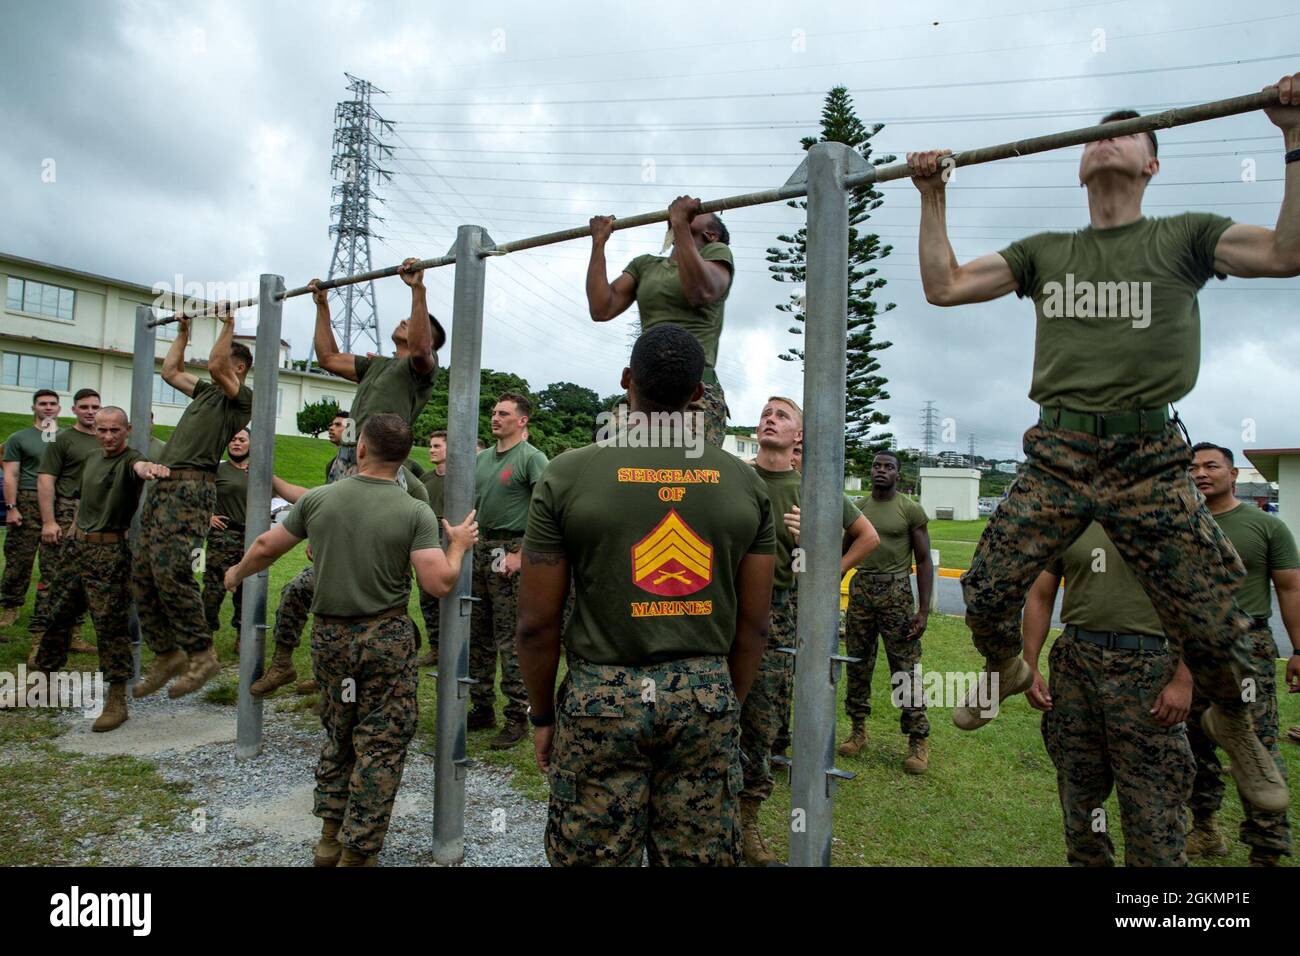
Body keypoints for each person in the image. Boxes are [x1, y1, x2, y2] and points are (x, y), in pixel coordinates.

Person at [906, 74, 1300, 813]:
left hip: (1149, 456)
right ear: (1078, 164)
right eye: (1095, 134)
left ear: (1152, 163)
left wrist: (1292, 136)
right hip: (1060, 451)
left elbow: (1286, 253)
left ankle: (1234, 721)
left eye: (1128, 131)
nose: (1105, 138)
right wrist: (933, 195)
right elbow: (945, 286)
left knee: (1218, 617)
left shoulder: (1187, 236)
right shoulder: (1046, 250)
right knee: (988, 588)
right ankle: (1005, 667)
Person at [516, 323, 775, 866]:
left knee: (591, 855)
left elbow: (536, 625)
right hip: (705, 696)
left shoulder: (568, 474)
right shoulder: (746, 483)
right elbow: (754, 626)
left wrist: (543, 717)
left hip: (598, 700)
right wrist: (726, 701)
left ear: (626, 382)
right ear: (700, 394)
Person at [224, 413, 477, 866]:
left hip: (329, 638)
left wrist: (235, 573)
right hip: (385, 639)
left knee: (338, 732)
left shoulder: (321, 499)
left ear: (360, 449)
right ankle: (358, 852)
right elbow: (439, 583)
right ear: (404, 459)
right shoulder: (414, 510)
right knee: (380, 744)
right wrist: (457, 544)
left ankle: (328, 838)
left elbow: (265, 547)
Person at [739, 396, 877, 865]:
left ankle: (747, 824)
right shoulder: (734, 477)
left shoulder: (814, 489)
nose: (769, 420)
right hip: (728, 611)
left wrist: (825, 560)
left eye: (782, 416)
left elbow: (868, 536)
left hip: (781, 613)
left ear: (799, 436)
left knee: (762, 723)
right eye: (765, 414)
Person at [1024, 521, 1196, 866]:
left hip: (1148, 670)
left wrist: (1184, 681)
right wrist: (1030, 665)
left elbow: (1200, 607)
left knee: (1152, 804)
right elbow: (1040, 595)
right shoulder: (1071, 523)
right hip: (1076, 665)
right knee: (1079, 793)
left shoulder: (1170, 522)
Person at [1185, 443, 1300, 866]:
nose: (1201, 473)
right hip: (1187, 649)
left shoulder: (1266, 527)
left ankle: (1267, 850)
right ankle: (1205, 829)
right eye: (1193, 467)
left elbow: (1290, 589)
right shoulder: (1179, 526)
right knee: (1193, 742)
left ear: (1234, 475)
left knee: (1254, 745)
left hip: (1247, 648)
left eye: (1212, 466)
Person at [132, 302, 253, 700]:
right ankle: (167, 654)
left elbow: (218, 364)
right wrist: (182, 332)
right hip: (163, 487)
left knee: (171, 572)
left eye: (223, 364)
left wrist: (229, 324)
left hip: (191, 489)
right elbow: (170, 372)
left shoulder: (239, 399)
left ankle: (202, 655)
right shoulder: (205, 393)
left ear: (238, 370)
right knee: (143, 572)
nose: (211, 369)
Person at [31, 407, 169, 732]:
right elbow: (84, 501)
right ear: (95, 430)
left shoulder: (130, 459)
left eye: (114, 431)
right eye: (102, 430)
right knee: (55, 615)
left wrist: (151, 469)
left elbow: (140, 466)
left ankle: (116, 700)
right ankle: (41, 682)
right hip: (76, 547)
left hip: (109, 553)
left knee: (109, 627)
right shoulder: (92, 458)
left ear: (127, 430)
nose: (108, 436)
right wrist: (73, 530)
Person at [253, 460, 433, 698]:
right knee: (296, 590)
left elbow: (416, 533)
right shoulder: (343, 466)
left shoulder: (410, 483)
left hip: (380, 568)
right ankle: (283, 663)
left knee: (370, 623)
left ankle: (340, 681)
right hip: (338, 562)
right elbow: (322, 503)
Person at [587, 196, 735, 447]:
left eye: (696, 214)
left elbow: (700, 292)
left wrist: (680, 223)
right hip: (645, 382)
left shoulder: (717, 254)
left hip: (695, 386)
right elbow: (602, 308)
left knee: (685, 464)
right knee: (612, 455)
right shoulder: (646, 265)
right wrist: (599, 243)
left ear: (711, 234)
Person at [838, 451, 934, 772]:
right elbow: (842, 552)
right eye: (877, 466)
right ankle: (858, 730)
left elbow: (923, 561)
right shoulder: (858, 508)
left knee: (905, 667)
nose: (881, 471)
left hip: (897, 594)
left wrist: (923, 611)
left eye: (888, 467)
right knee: (857, 663)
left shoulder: (910, 510)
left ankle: (917, 740)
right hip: (863, 590)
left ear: (898, 474)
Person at [309, 259, 442, 480]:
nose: (403, 321)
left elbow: (420, 351)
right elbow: (328, 358)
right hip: (349, 450)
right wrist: (322, 305)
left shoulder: (421, 367)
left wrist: (418, 289)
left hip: (379, 457)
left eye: (411, 321)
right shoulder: (376, 364)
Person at [469, 393, 549, 749]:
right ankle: (481, 707)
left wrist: (521, 554)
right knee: (476, 633)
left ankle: (518, 715)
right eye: (493, 412)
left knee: (509, 638)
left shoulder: (532, 459)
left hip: (510, 551)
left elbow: (547, 509)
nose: (495, 418)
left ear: (522, 421)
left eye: (503, 413)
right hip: (479, 548)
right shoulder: (482, 459)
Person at [35, 388, 101, 651]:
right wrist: (49, 521)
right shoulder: (61, 439)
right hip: (65, 512)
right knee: (53, 578)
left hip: (95, 516)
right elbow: (45, 480)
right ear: (73, 409)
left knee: (85, 579)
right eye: (84, 407)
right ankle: (40, 640)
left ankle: (73, 635)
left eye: (95, 407)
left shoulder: (105, 439)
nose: (90, 412)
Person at [1, 389, 61, 631]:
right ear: (33, 408)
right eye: (42, 403)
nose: (48, 407)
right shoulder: (19, 438)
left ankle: (49, 612)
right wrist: (11, 508)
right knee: (18, 560)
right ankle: (10, 609)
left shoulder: (65, 438)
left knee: (54, 564)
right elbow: (11, 475)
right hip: (26, 500)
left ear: (59, 408)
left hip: (58, 504)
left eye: (52, 404)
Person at [201, 429, 250, 648]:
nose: (236, 443)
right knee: (214, 588)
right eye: (233, 439)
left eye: (242, 440)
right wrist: (207, 517)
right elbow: (197, 497)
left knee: (246, 589)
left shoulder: (257, 472)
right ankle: (206, 637)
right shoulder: (218, 470)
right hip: (223, 538)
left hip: (250, 538)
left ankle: (242, 636)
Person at [416, 430, 447, 669]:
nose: (431, 450)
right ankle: (436, 647)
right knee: (428, 596)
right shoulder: (425, 480)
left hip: (451, 538)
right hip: (428, 539)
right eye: (431, 446)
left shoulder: (463, 480)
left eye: (437, 446)